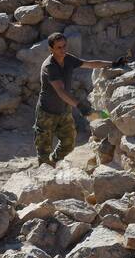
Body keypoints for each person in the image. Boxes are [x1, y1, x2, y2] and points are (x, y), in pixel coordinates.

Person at [34, 33, 117, 167]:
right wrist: (80, 105)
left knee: (68, 143)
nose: (63, 50)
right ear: (51, 49)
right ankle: (44, 172)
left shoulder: (68, 59)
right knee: (43, 150)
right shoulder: (49, 67)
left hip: (64, 110)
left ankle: (53, 163)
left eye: (64, 46)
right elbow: (61, 91)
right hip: (47, 112)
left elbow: (89, 64)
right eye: (59, 47)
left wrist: (113, 63)